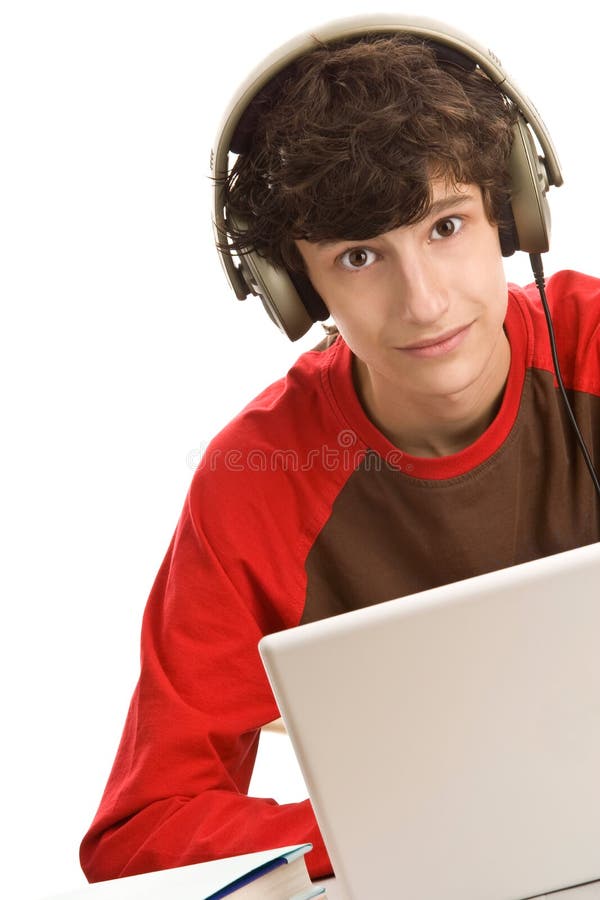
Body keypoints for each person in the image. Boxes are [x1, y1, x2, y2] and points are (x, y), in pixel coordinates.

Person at [79, 14, 600, 885]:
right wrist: (413, 823)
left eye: (445, 226)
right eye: (360, 256)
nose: (425, 303)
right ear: (291, 288)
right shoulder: (254, 482)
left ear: (512, 211)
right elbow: (143, 833)